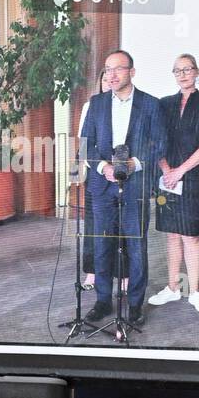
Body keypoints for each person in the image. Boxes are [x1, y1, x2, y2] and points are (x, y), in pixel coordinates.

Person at [79, 49, 167, 327]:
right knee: (102, 244)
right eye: (107, 69)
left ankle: (135, 304)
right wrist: (103, 166)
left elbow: (159, 144)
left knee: (135, 247)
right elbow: (86, 145)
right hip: (102, 187)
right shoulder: (97, 103)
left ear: (132, 71)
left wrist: (136, 164)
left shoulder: (151, 105)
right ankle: (103, 300)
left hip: (135, 188)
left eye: (118, 69)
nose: (112, 75)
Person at [148, 54, 199, 314]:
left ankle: (194, 291)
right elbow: (155, 140)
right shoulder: (164, 104)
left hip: (193, 178)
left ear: (196, 72)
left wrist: (180, 171)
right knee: (171, 234)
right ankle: (173, 288)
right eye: (177, 71)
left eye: (187, 69)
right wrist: (167, 169)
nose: (182, 74)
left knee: (190, 235)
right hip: (166, 177)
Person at [77, 68, 111, 292]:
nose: (109, 83)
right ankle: (92, 272)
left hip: (121, 173)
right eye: (105, 79)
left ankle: (123, 275)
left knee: (121, 229)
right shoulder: (90, 106)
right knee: (93, 227)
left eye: (113, 78)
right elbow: (83, 143)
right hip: (95, 173)